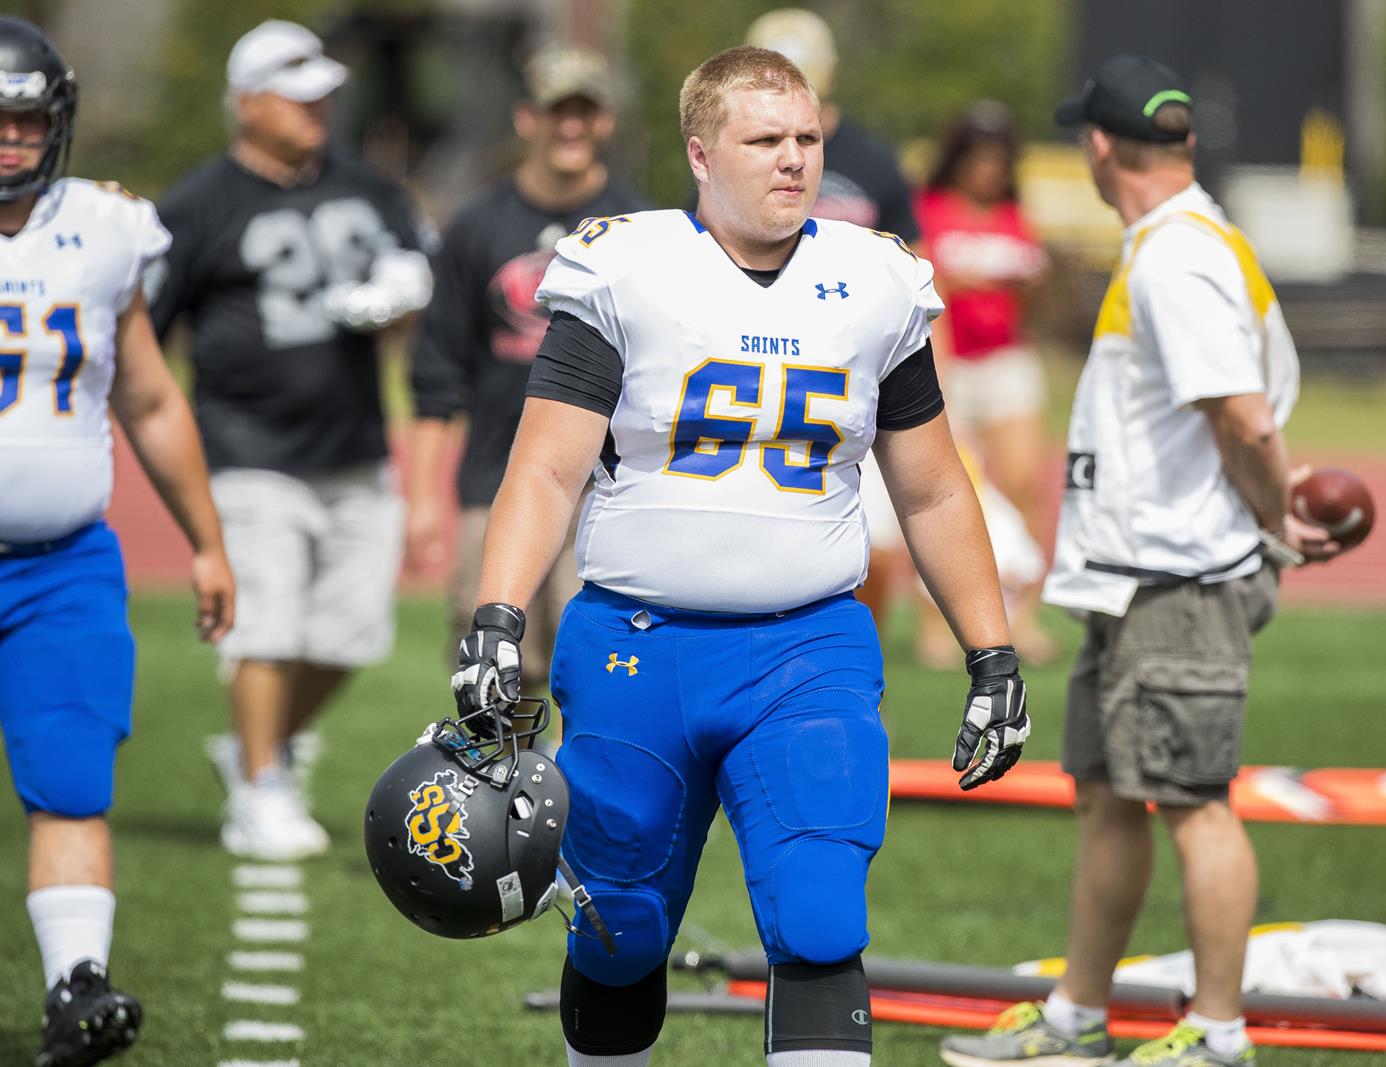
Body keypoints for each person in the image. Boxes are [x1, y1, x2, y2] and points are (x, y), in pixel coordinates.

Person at [449, 46, 1031, 1067]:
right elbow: (542, 470)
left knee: (819, 912)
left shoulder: (873, 279)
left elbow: (933, 485)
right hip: (639, 644)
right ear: (701, 152)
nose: (793, 159)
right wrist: (497, 614)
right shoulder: (625, 265)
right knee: (618, 925)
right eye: (765, 140)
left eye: (806, 138)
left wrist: (993, 651)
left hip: (806, 646)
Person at [939, 56, 1335, 1067]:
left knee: (1195, 803)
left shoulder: (1175, 257)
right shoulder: (1177, 241)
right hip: (1134, 574)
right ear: (1184, 141)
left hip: (1180, 579)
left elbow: (1241, 416)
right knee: (1110, 794)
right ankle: (1074, 1014)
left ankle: (1216, 1029)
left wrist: (1275, 522)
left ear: (1099, 146)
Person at [0, 18, 236, 1067]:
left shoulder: (103, 226)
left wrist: (207, 539)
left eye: (24, 117)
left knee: (72, 770)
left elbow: (147, 395)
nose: (9, 139)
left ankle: (74, 985)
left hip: (60, 560)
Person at [148, 19, 435, 860]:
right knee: (265, 626)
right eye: (296, 92)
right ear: (245, 103)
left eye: (324, 92)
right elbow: (149, 332)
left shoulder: (363, 182)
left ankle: (252, 749)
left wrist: (405, 285)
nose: (319, 106)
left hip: (354, 442)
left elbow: (420, 257)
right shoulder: (200, 203)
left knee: (350, 635)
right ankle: (264, 785)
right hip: (248, 446)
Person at [408, 45, 646, 687]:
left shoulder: (640, 227)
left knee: (597, 661)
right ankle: (505, 786)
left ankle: (582, 789)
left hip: (607, 485)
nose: (570, 127)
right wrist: (424, 500)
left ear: (605, 122)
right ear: (526, 120)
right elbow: (437, 370)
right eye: (555, 112)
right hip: (495, 476)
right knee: (491, 663)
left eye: (585, 112)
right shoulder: (477, 225)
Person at [744, 9, 927, 629]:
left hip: (856, 358)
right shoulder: (731, 155)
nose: (790, 158)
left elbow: (916, 276)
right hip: (756, 349)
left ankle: (856, 667)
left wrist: (936, 363)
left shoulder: (873, 159)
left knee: (872, 535)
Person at [915, 102, 1055, 665]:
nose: (989, 169)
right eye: (979, 157)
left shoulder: (1016, 213)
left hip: (1005, 359)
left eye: (998, 158)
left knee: (1022, 481)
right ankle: (934, 620)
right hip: (945, 362)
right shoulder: (928, 209)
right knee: (940, 492)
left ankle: (1023, 614)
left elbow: (1038, 287)